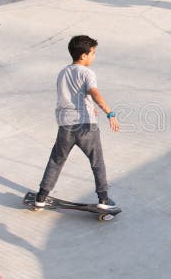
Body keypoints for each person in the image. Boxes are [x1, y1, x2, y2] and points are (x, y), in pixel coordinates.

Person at [35, 35, 120, 210]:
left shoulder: (63, 72)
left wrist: (89, 106)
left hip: (65, 125)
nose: (94, 56)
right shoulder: (87, 73)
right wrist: (109, 112)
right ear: (83, 55)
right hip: (86, 126)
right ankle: (103, 199)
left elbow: (69, 96)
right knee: (97, 162)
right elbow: (94, 92)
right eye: (93, 53)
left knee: (56, 160)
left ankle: (41, 196)